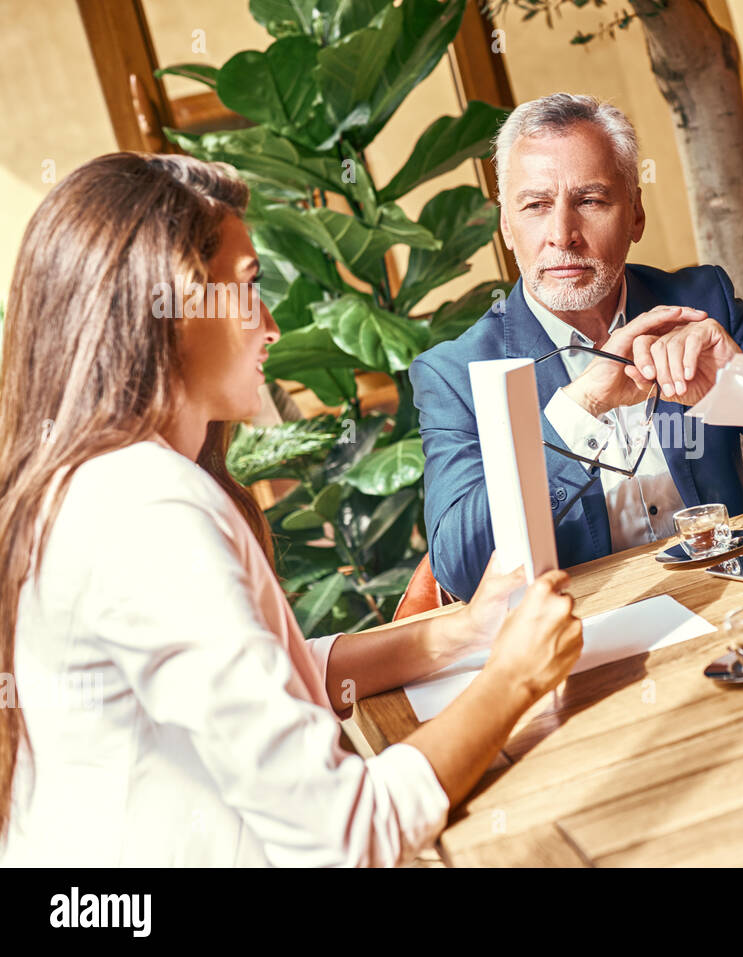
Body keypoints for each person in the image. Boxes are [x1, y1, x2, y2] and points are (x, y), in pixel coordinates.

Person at [0, 153, 582, 866]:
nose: (271, 326)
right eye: (249, 289)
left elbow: (272, 668)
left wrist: (464, 631)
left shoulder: (96, 487)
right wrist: (512, 677)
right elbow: (349, 834)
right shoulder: (145, 512)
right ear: (177, 305)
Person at [412, 93, 743, 601]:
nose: (562, 234)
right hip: (589, 640)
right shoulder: (455, 373)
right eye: (536, 206)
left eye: (590, 201)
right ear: (506, 224)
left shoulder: (701, 302)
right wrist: (581, 407)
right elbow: (461, 569)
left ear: (635, 214)